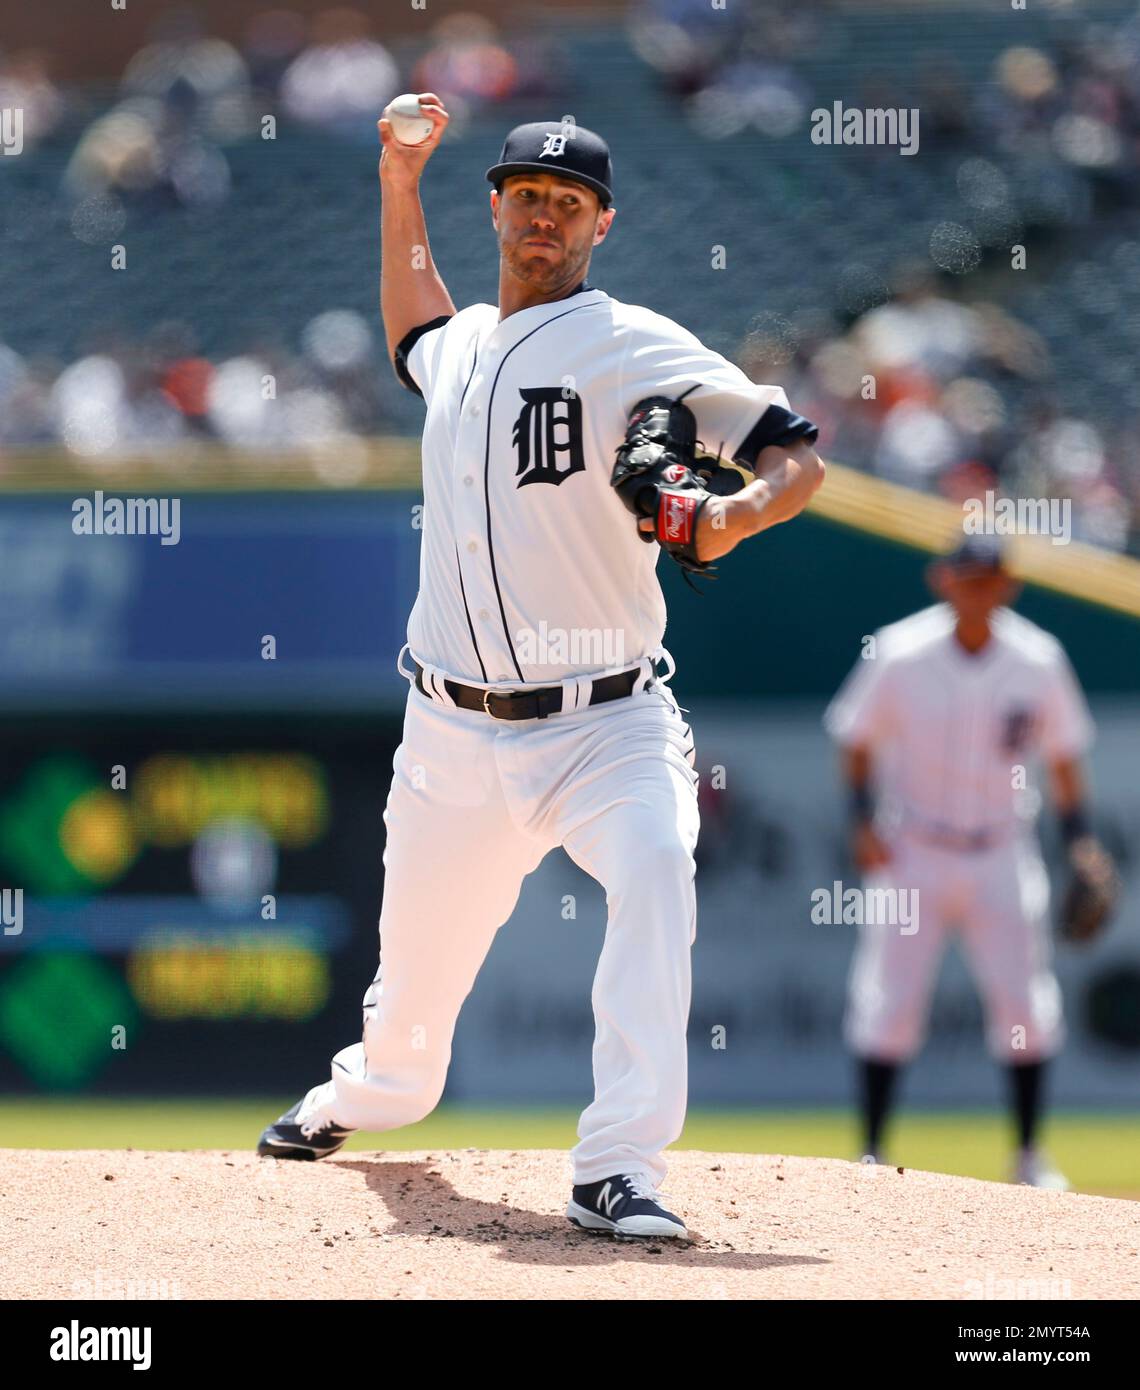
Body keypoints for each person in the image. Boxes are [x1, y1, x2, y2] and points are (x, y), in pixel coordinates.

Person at [258, 98, 825, 1240]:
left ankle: (619, 1165)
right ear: (498, 209)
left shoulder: (635, 344)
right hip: (451, 731)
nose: (546, 217)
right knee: (409, 1017)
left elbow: (795, 457)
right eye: (528, 196)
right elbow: (413, 323)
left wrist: (733, 515)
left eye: (570, 203)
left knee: (657, 867)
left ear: (601, 225)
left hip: (606, 721)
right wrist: (397, 181)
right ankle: (368, 1094)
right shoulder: (462, 345)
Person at [824, 535, 1113, 1189]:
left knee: (1024, 1007)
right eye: (969, 577)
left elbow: (1065, 756)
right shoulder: (899, 651)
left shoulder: (1038, 657)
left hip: (1001, 850)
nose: (980, 589)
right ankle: (872, 1151)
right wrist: (860, 818)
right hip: (913, 849)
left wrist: (1080, 840)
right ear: (943, 580)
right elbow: (855, 736)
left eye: (991, 578)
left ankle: (1029, 1155)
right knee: (889, 1005)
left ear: (1009, 585)